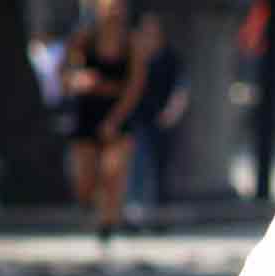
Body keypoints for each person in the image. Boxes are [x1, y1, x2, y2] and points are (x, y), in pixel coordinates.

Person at [60, 0, 146, 242]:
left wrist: (114, 120)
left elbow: (135, 86)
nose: (114, 12)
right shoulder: (84, 39)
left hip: (118, 113)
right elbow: (64, 73)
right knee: (84, 178)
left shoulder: (131, 43)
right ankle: (92, 206)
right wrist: (78, 80)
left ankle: (107, 223)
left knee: (113, 171)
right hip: (87, 113)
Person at [128, 12, 189, 231]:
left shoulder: (170, 57)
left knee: (160, 171)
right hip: (138, 119)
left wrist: (172, 112)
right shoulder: (135, 56)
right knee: (137, 170)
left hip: (162, 121)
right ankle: (134, 218)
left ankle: (159, 219)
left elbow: (180, 89)